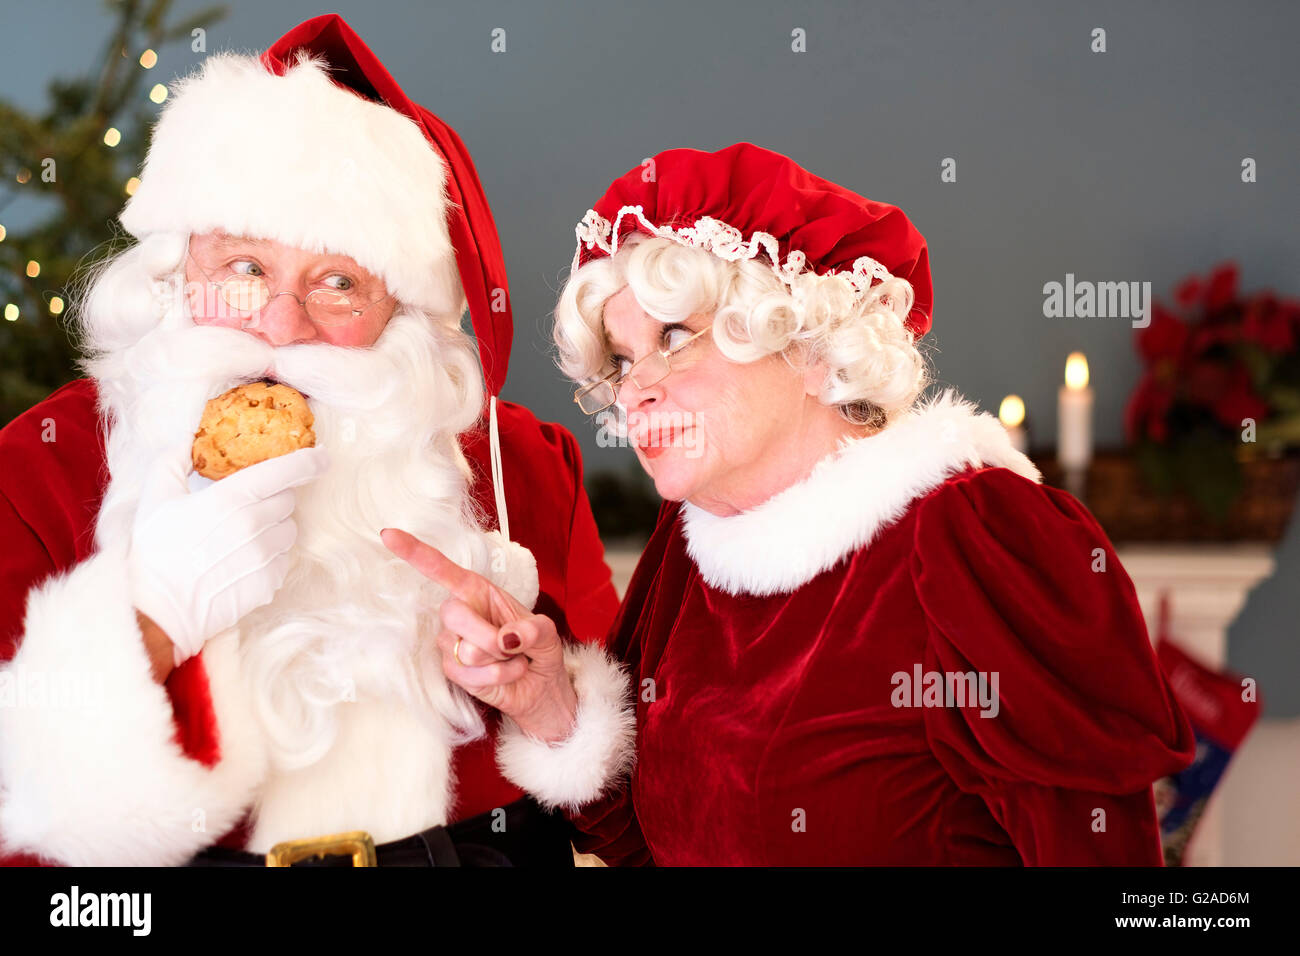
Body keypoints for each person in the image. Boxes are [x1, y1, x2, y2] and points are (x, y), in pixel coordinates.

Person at [394, 142, 1199, 865]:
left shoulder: (972, 535)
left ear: (807, 345)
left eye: (674, 337)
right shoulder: (691, 548)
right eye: (622, 359)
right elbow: (658, 843)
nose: (634, 389)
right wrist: (548, 704)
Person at [0, 15, 634, 867]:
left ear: (403, 310)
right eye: (244, 267)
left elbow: (643, 823)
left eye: (338, 283)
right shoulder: (40, 462)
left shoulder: (519, 465)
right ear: (176, 269)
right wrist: (146, 622)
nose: (281, 325)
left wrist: (558, 716)